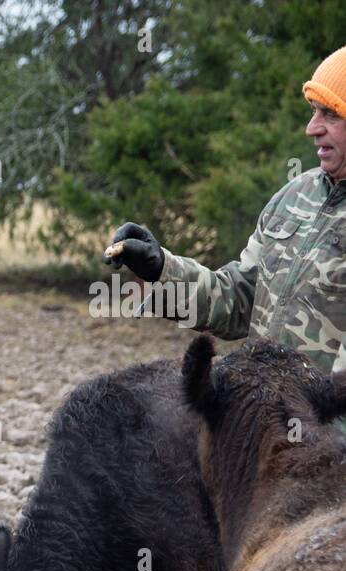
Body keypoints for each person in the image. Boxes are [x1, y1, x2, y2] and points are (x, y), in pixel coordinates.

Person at [107, 45, 346, 398]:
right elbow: (240, 298)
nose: (312, 128)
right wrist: (162, 269)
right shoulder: (295, 194)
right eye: (313, 111)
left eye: (330, 114)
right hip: (266, 430)